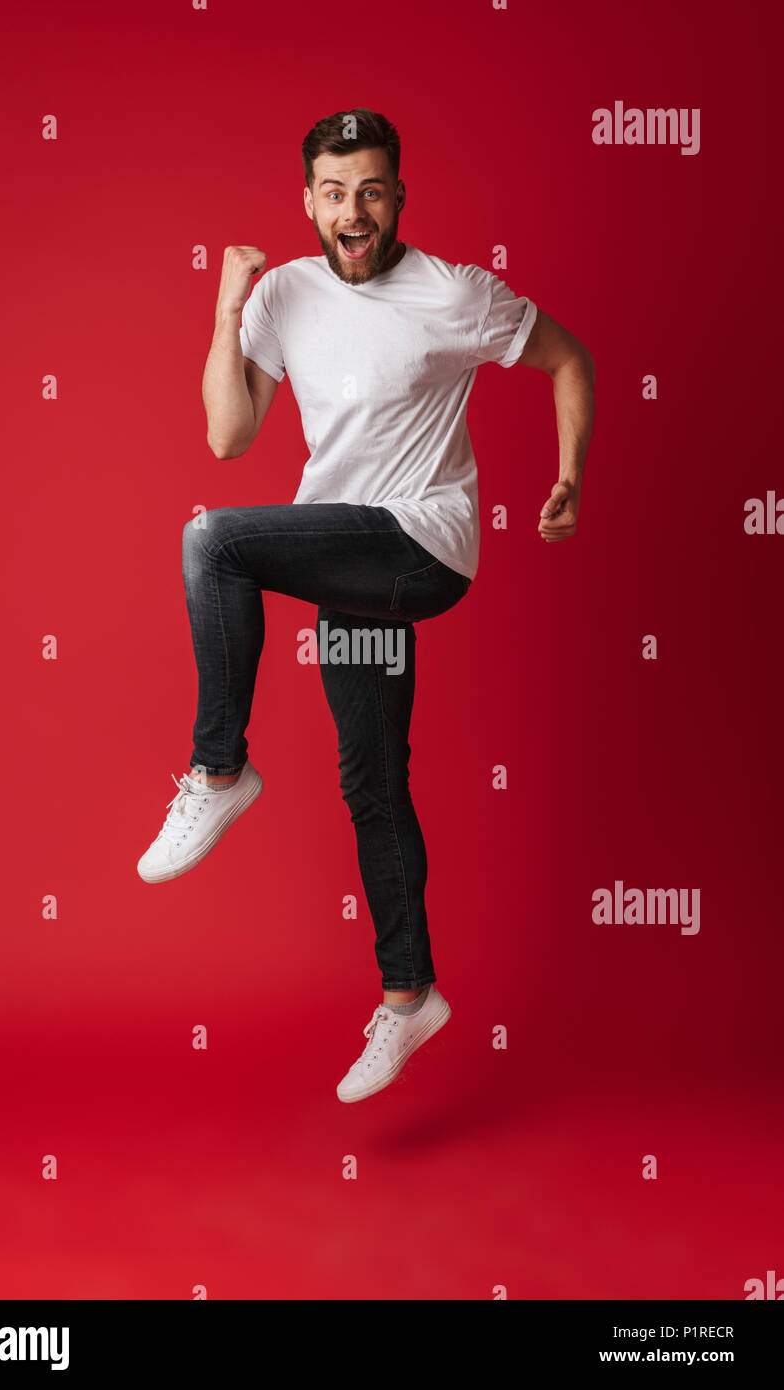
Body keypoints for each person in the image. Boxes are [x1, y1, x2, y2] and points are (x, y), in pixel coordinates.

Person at [137, 108, 595, 1103]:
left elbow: (569, 360)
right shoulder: (284, 295)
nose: (355, 211)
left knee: (212, 540)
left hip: (420, 545)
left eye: (373, 190)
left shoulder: (451, 293)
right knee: (372, 780)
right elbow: (227, 435)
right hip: (344, 561)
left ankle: (217, 770)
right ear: (308, 202)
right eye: (335, 193)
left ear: (397, 197)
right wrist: (225, 307)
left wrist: (566, 478)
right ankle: (407, 996)